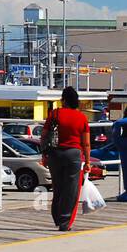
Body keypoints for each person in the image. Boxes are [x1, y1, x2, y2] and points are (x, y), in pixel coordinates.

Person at [40, 87, 91, 231]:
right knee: (71, 189)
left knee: (58, 187)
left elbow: (44, 135)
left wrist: (44, 155)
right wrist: (87, 162)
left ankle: (56, 216)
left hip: (55, 154)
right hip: (73, 155)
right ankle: (64, 221)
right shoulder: (81, 117)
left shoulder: (55, 113)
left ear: (64, 100)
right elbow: (86, 143)